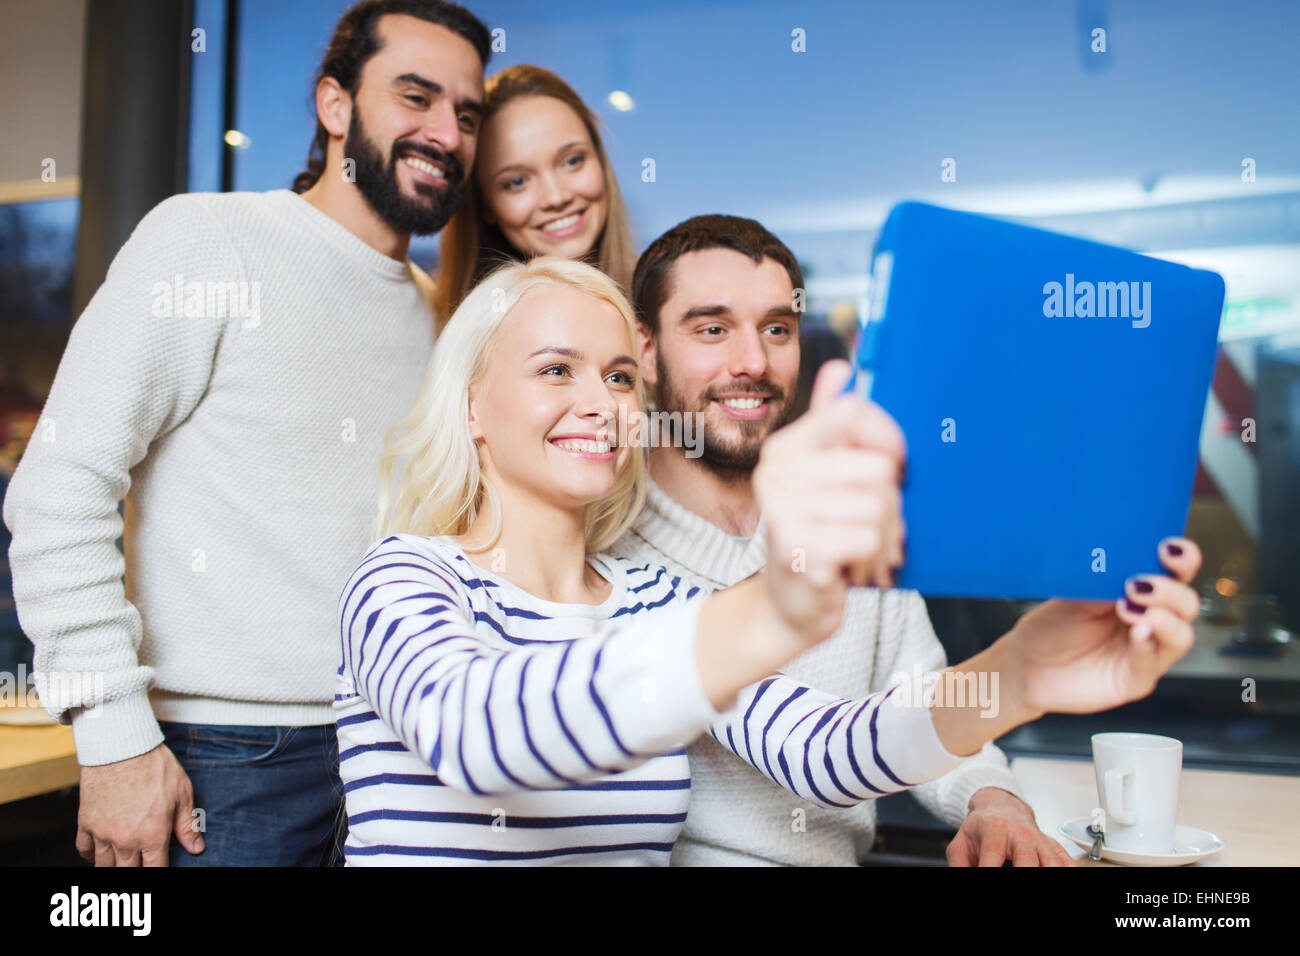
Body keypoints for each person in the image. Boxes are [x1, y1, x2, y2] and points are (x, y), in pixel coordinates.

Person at [335, 254, 1203, 865]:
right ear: (474, 406)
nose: (598, 402)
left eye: (618, 377)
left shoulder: (657, 601)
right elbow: (480, 735)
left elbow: (828, 752)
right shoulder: (404, 578)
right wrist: (775, 606)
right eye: (555, 370)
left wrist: (1022, 671)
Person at [2, 0, 490, 867]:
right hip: (217, 762)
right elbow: (60, 487)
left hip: (395, 759)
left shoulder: (436, 319)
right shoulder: (208, 240)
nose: (445, 132)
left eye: (466, 114)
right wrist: (112, 734)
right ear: (335, 105)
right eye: (415, 97)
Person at [610, 213, 1082, 866]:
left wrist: (993, 799)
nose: (752, 362)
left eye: (777, 328)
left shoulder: (850, 519)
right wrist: (1028, 668)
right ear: (645, 349)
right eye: (712, 329)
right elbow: (825, 750)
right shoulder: (606, 557)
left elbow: (925, 704)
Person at [432, 64, 636, 324]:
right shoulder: (464, 335)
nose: (556, 197)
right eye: (517, 181)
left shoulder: (667, 301)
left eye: (572, 161)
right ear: (485, 206)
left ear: (600, 161)